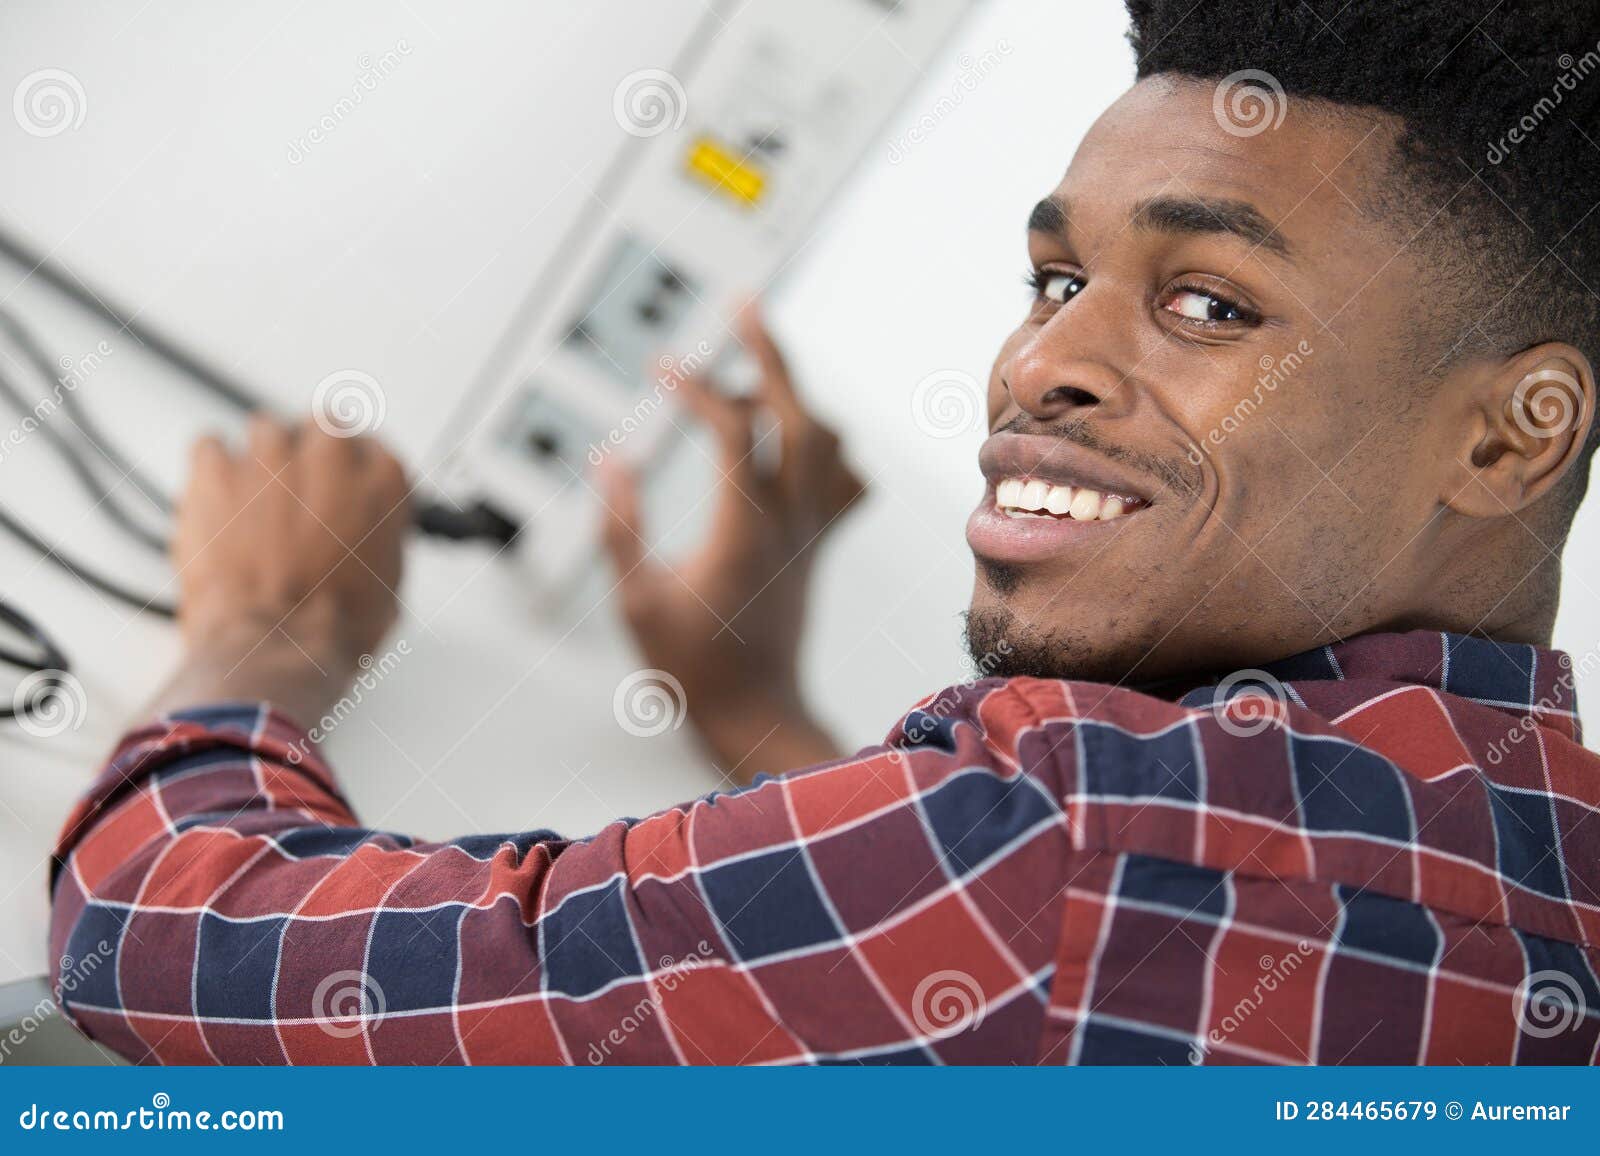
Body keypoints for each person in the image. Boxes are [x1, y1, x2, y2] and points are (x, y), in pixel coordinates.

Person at [49, 0, 1600, 1064]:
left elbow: (159, 938)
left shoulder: (1048, 860)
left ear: (1506, 433)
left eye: (1207, 303)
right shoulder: (1545, 860)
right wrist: (754, 709)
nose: (1040, 363)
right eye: (1058, 280)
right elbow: (1064, 946)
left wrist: (271, 637)